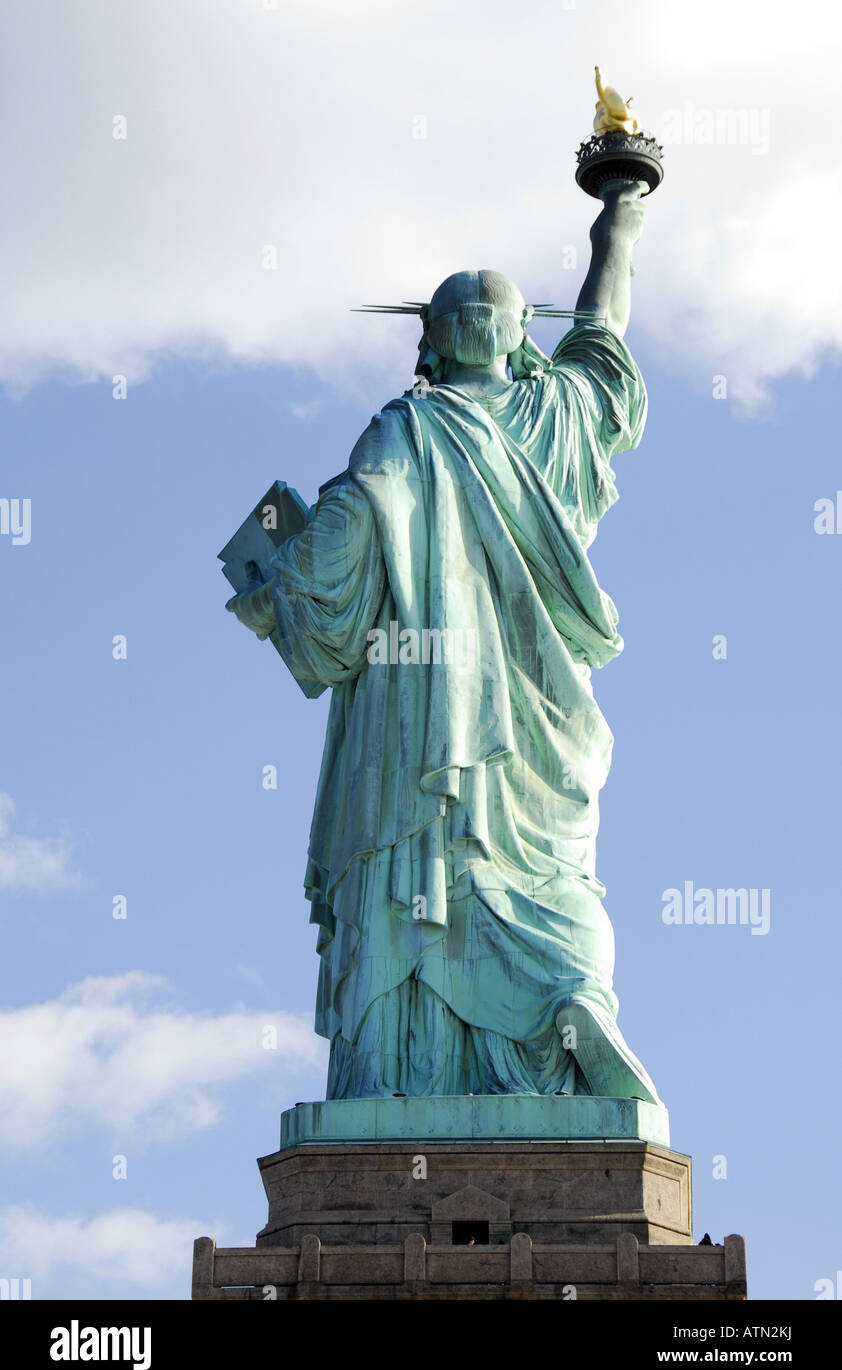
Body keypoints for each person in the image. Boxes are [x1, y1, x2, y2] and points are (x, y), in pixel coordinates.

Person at [227, 182, 662, 1107]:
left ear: (428, 343)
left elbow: (333, 555)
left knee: (419, 867)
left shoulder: (403, 429)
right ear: (519, 338)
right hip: (534, 721)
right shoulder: (560, 417)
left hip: (416, 721)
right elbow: (603, 328)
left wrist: (272, 558)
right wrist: (618, 216)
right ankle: (568, 1012)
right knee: (550, 884)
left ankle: (394, 1079)